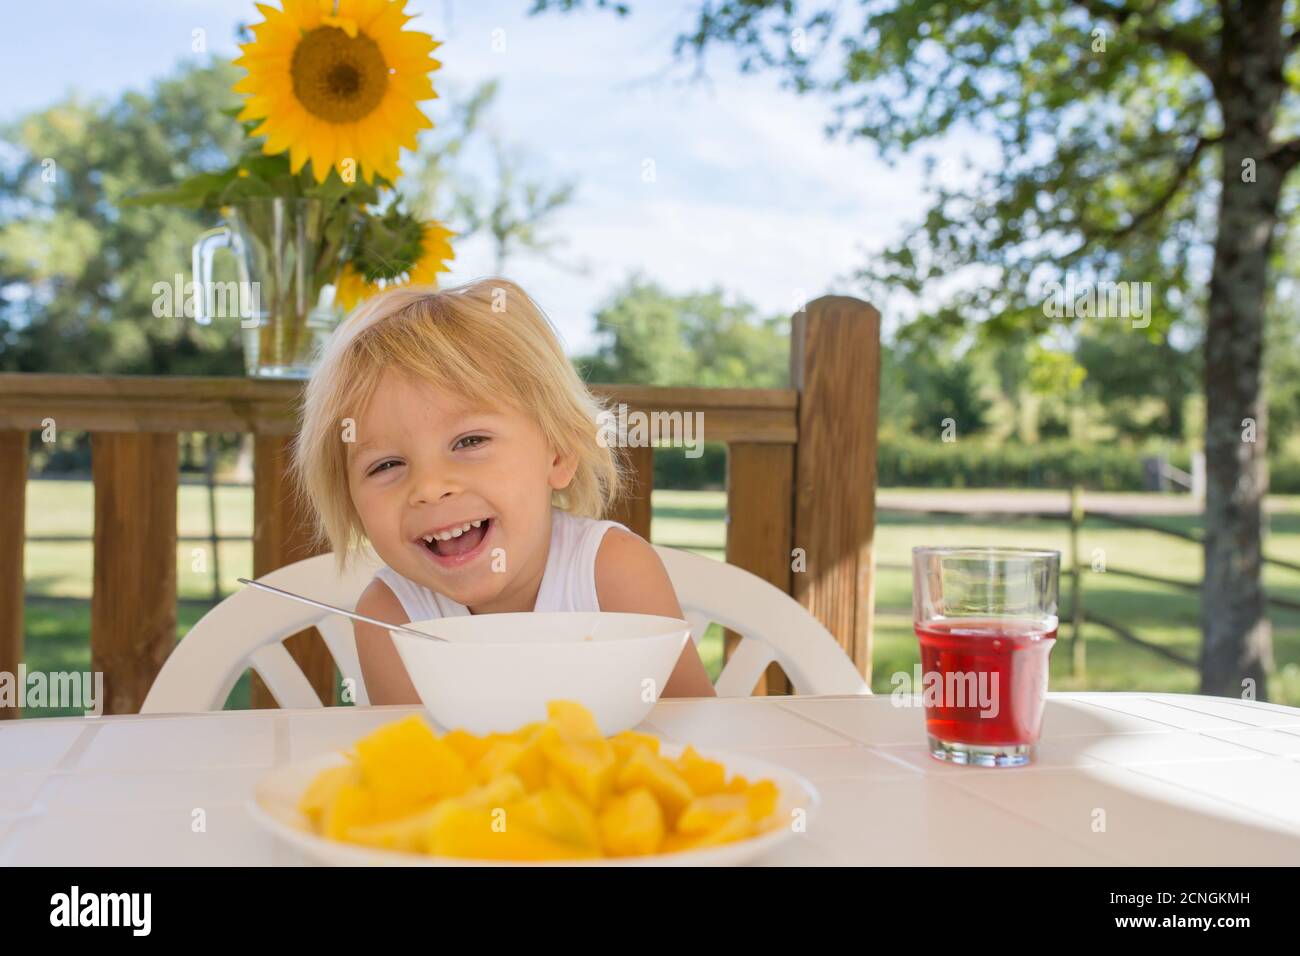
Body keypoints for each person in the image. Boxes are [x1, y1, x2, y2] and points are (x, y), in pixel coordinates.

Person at [291, 277, 716, 704]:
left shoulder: (614, 572)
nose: (430, 488)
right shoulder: (391, 615)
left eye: (470, 442)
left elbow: (694, 732)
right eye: (386, 465)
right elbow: (419, 765)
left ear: (559, 452)